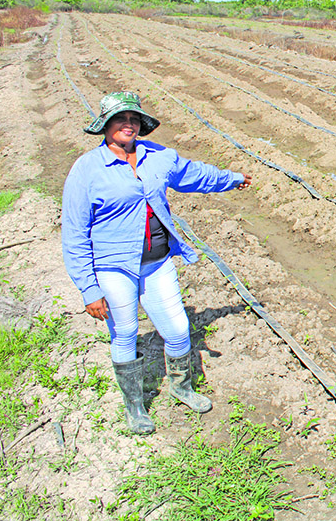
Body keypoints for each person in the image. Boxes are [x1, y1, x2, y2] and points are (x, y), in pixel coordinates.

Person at [62, 91, 252, 434]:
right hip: (113, 266)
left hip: (157, 262)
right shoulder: (87, 169)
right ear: (105, 126)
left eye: (134, 119)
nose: (128, 125)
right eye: (120, 119)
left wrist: (232, 178)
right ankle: (135, 407)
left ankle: (182, 388)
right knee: (126, 333)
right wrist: (89, 289)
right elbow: (74, 234)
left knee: (178, 329)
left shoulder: (158, 157)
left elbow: (195, 175)